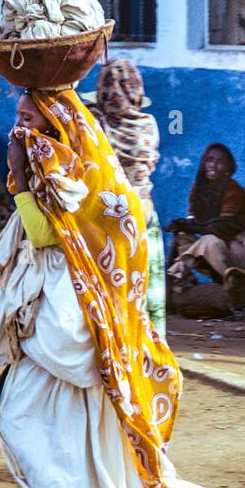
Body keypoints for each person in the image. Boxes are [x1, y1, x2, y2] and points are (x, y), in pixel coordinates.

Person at [0, 89, 208, 488]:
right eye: (18, 116)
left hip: (68, 313)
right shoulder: (62, 165)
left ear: (55, 122)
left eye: (29, 117)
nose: (20, 125)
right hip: (61, 307)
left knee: (24, 416)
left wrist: (18, 183)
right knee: (79, 427)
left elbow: (45, 234)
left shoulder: (69, 170)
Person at [86, 59, 166, 333]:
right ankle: (149, 347)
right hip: (143, 209)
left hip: (108, 214)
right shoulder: (148, 123)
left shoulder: (95, 126)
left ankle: (115, 345)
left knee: (112, 285)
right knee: (143, 282)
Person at [166, 143, 245, 282]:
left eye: (220, 162)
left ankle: (181, 270)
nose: (213, 165)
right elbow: (192, 220)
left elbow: (221, 228)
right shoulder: (198, 189)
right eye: (209, 160)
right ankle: (174, 281)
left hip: (239, 250)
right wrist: (182, 225)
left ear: (228, 168)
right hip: (213, 248)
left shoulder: (233, 190)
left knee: (210, 242)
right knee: (182, 236)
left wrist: (188, 225)